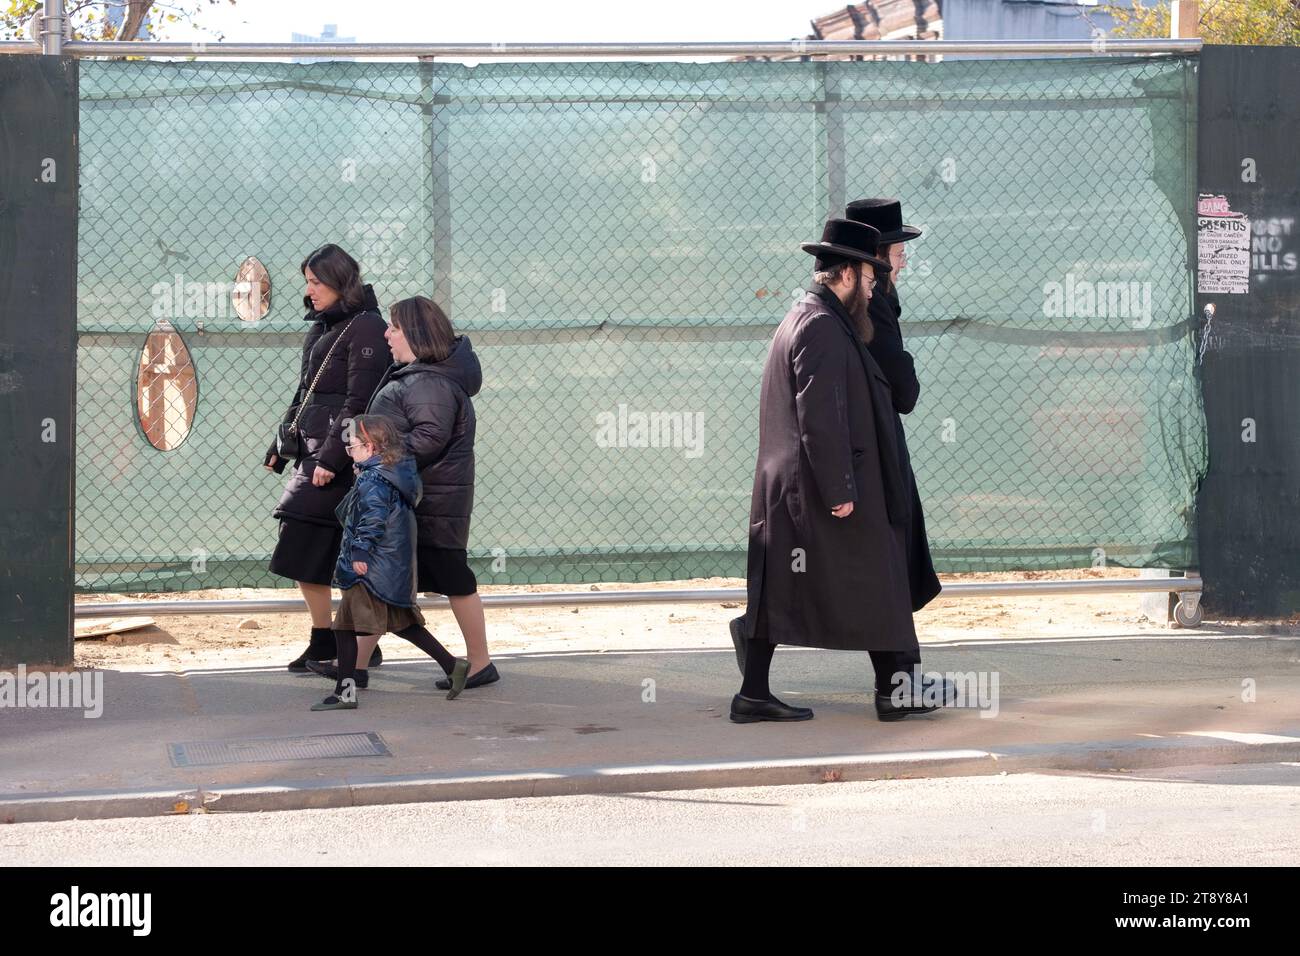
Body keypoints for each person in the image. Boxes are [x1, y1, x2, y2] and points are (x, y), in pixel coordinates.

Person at [728, 218, 955, 723]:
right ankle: (894, 688)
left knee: (782, 589)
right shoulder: (821, 326)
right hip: (815, 485)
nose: (876, 286)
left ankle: (755, 694)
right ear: (849, 273)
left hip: (798, 484)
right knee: (875, 576)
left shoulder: (816, 317)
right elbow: (821, 415)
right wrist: (839, 488)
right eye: (871, 278)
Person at [264, 244, 391, 673]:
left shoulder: (367, 327)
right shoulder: (323, 325)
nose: (309, 290)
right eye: (307, 281)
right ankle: (332, 641)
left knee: (321, 545)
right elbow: (307, 391)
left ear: (340, 282)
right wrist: (281, 444)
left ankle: (350, 643)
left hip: (338, 458)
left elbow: (361, 401)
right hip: (313, 449)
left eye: (316, 282)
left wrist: (334, 458)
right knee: (311, 549)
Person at [361, 296, 496, 691]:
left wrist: (377, 459)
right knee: (389, 577)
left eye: (394, 327)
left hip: (429, 502)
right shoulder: (422, 376)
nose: (386, 334)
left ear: (416, 334)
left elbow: (429, 437)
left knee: (448, 575)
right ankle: (355, 662)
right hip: (424, 499)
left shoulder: (428, 381)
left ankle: (479, 663)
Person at [310, 415, 469, 711]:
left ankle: (345, 693)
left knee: (344, 627)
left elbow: (372, 520)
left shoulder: (374, 479)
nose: (350, 452)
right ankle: (452, 665)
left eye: (353, 446)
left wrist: (359, 555)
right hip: (389, 566)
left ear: (370, 447)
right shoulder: (394, 474)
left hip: (370, 567)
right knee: (402, 624)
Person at [845, 197, 942, 613]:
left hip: (864, 447)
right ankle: (900, 674)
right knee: (887, 555)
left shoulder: (862, 303)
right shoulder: (875, 307)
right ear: (879, 258)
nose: (903, 264)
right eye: (899, 254)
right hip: (873, 450)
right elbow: (905, 392)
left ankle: (899, 672)